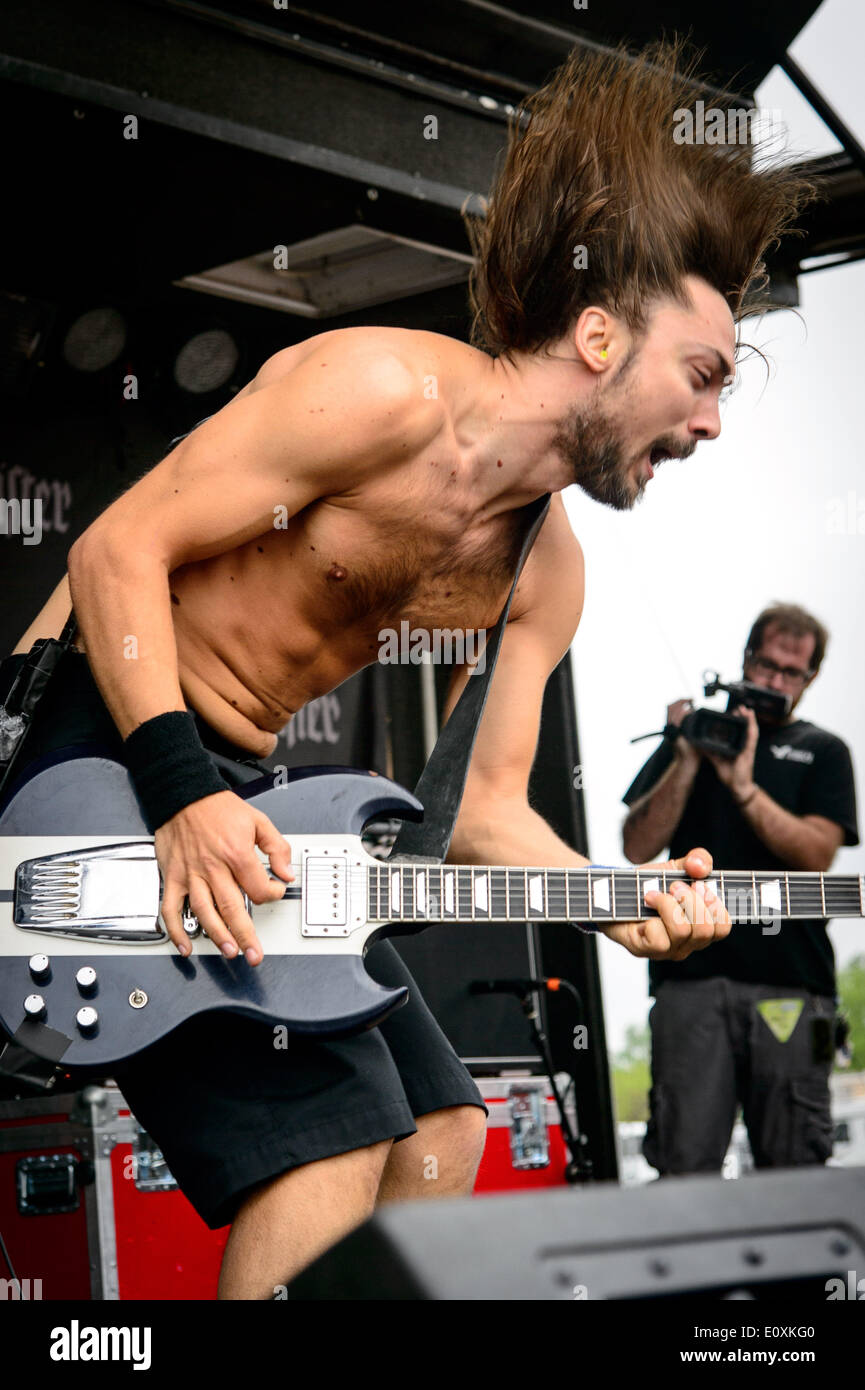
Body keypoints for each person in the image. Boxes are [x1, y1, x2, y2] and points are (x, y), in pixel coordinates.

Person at [5, 40, 810, 1297]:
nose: (711, 420)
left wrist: (622, 900)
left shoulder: (548, 570)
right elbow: (117, 549)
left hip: (234, 794)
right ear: (598, 336)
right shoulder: (378, 391)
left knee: (441, 1131)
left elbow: (484, 815)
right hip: (98, 748)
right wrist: (178, 794)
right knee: (329, 1137)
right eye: (701, 376)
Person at [622, 603, 860, 1177]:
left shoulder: (824, 751)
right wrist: (687, 757)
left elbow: (816, 855)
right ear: (746, 659)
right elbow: (635, 845)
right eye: (767, 665)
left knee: (796, 1167)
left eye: (791, 672)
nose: (775, 681)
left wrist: (744, 786)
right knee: (684, 1164)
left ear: (810, 678)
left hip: (792, 983)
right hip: (690, 980)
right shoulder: (697, 735)